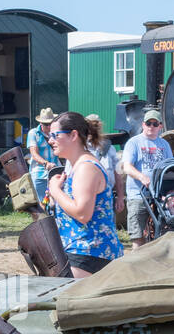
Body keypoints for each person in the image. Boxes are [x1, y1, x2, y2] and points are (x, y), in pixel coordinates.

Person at [46, 112, 123, 277]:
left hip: (89, 253)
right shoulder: (76, 166)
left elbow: (82, 213)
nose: (50, 140)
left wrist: (56, 190)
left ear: (73, 135)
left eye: (54, 135)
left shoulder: (86, 167)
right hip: (82, 251)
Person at [122, 109, 173, 248]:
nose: (151, 126)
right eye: (148, 123)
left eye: (154, 124)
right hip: (139, 196)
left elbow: (170, 168)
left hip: (159, 197)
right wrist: (141, 176)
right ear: (143, 124)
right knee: (137, 237)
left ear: (160, 126)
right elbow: (127, 167)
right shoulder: (134, 143)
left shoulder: (164, 145)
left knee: (161, 234)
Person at [84, 114, 124, 217]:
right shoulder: (81, 148)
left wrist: (120, 197)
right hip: (86, 198)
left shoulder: (110, 148)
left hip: (108, 197)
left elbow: (117, 174)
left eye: (96, 126)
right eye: (90, 126)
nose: (93, 129)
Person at [25, 107, 61, 204]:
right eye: (46, 124)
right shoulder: (33, 133)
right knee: (42, 204)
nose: (49, 127)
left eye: (51, 123)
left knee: (56, 203)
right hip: (39, 174)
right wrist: (46, 164)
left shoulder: (56, 133)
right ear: (41, 123)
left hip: (55, 172)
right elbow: (34, 154)